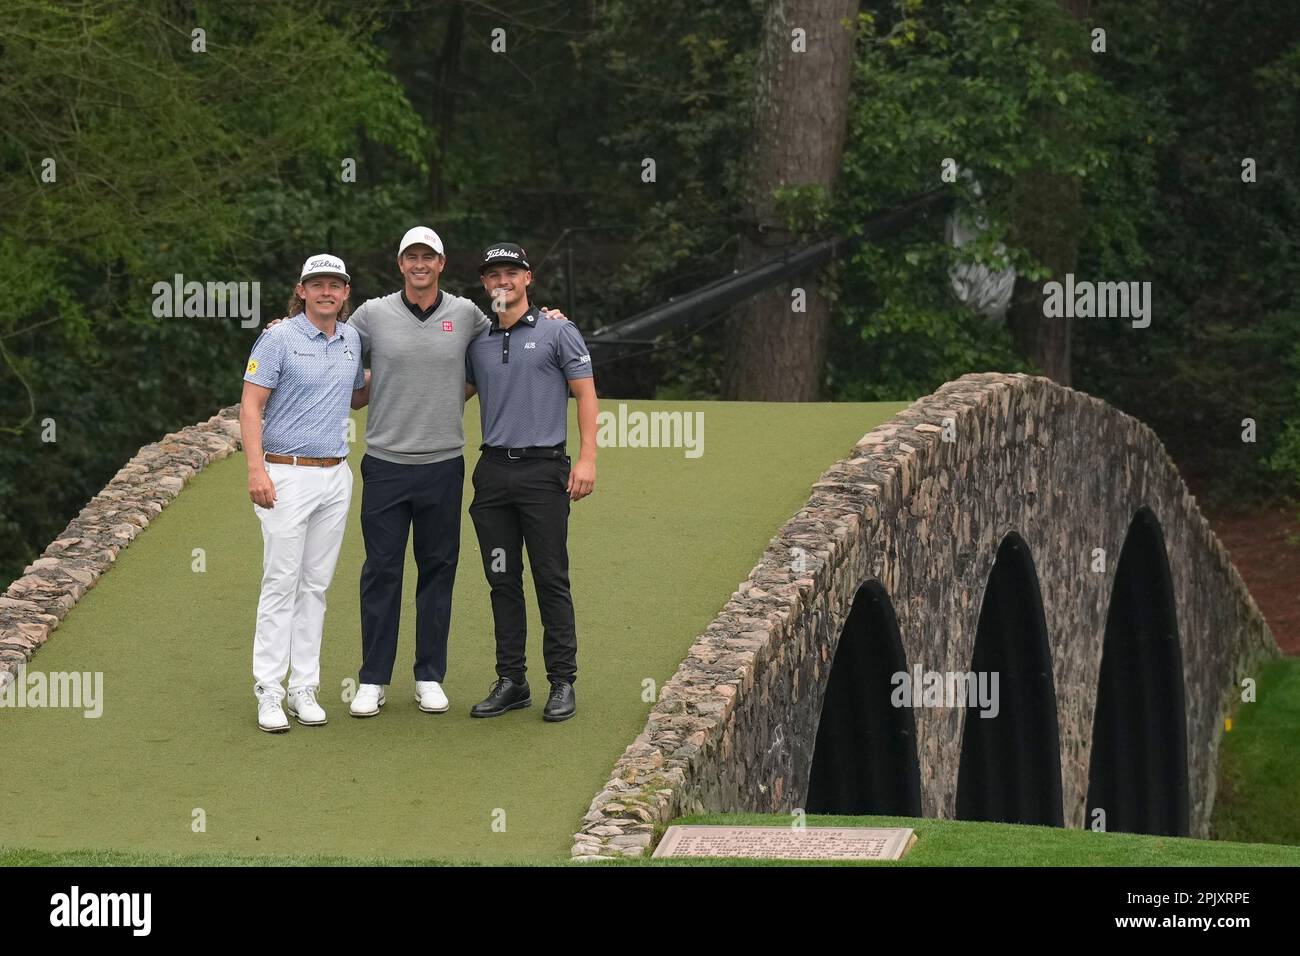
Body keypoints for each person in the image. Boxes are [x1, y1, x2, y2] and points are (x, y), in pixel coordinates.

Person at [341, 228, 567, 718]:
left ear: (441, 263)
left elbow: (512, 325)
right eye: (410, 257)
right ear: (399, 264)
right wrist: (286, 327)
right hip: (385, 463)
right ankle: (373, 679)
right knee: (381, 571)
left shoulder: (467, 315)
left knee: (437, 570)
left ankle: (428, 676)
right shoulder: (371, 315)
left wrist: (550, 319)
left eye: (428, 257)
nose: (419, 264)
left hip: (444, 464)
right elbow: (327, 341)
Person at [465, 243, 598, 722]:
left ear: (528, 279)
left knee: (550, 577)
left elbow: (585, 395)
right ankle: (512, 680)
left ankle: (562, 680)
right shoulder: (476, 340)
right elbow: (443, 387)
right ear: (484, 283)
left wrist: (586, 459)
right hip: (493, 474)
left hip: (544, 473)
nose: (502, 280)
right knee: (502, 579)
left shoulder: (558, 332)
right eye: (493, 274)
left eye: (511, 272)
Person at [240, 254, 365, 732]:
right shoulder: (277, 338)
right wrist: (257, 471)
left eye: (335, 284)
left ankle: (303, 688)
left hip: (336, 475)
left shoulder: (352, 338)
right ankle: (269, 689)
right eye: (317, 285)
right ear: (302, 290)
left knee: (315, 586)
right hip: (285, 474)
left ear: (346, 292)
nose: (326, 292)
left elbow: (356, 393)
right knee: (281, 583)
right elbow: (251, 407)